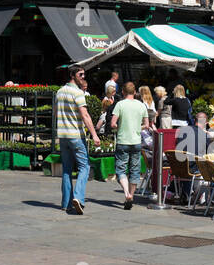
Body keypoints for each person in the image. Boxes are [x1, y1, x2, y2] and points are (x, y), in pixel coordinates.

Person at [55, 65, 102, 214]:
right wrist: (94, 135)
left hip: (63, 135)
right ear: (73, 75)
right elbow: (85, 115)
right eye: (81, 74)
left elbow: (56, 113)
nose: (83, 77)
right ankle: (78, 197)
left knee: (67, 170)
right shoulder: (78, 93)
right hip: (76, 135)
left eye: (84, 74)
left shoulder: (60, 92)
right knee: (84, 167)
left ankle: (66, 203)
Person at [110, 82, 150, 210]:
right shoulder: (141, 105)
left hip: (123, 141)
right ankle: (131, 195)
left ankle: (126, 193)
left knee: (121, 169)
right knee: (135, 170)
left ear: (123, 91)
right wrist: (137, 127)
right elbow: (147, 125)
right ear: (134, 92)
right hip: (136, 141)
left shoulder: (120, 104)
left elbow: (112, 124)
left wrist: (120, 126)